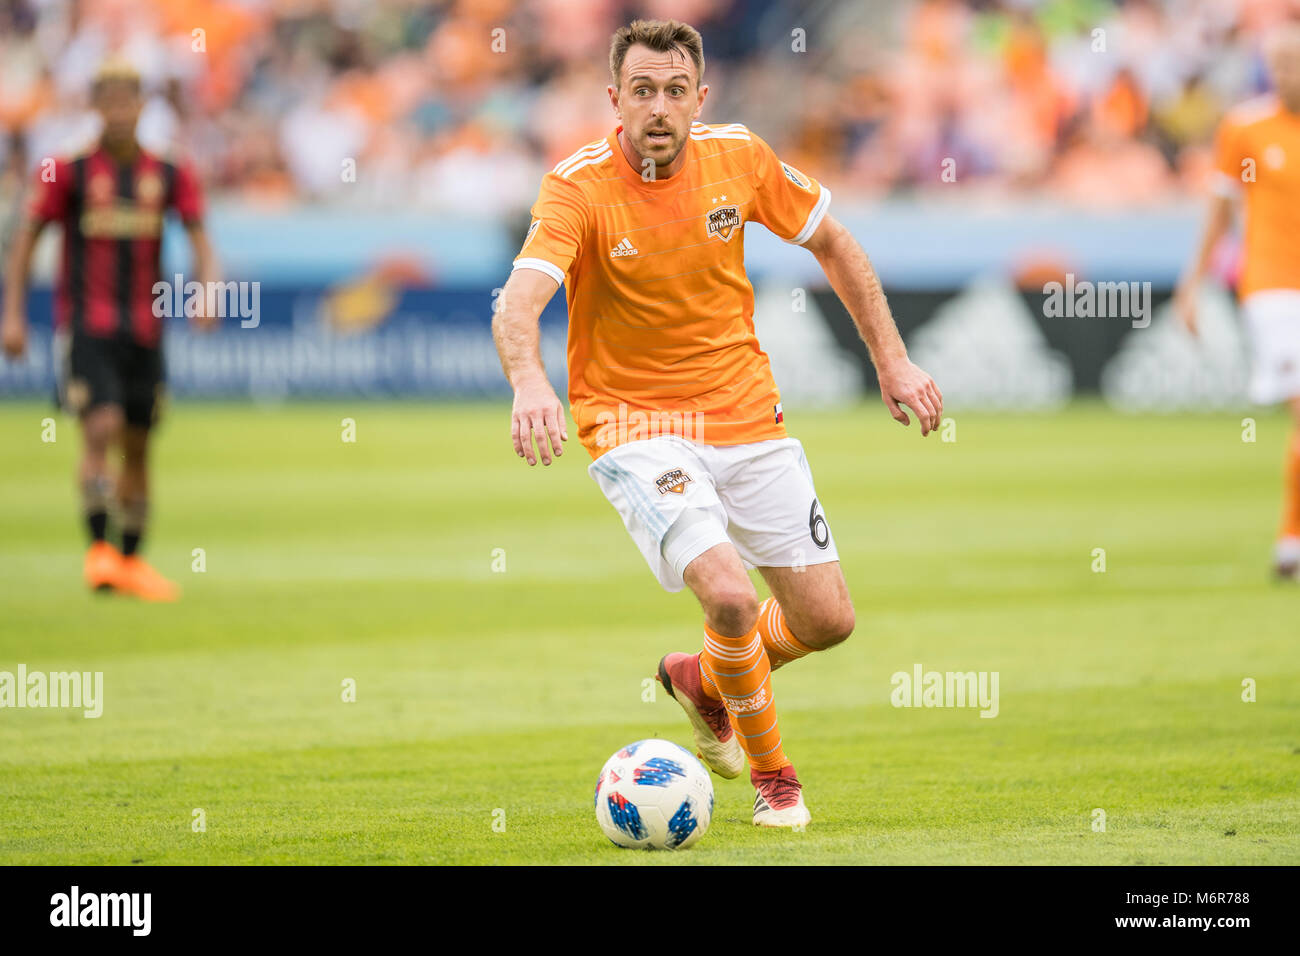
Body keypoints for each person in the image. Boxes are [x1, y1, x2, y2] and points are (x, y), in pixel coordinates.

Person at [492, 19, 942, 828]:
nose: (658, 107)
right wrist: (529, 381)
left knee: (827, 620)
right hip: (634, 426)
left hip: (745, 412)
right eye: (642, 91)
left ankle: (706, 677)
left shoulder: (740, 157)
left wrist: (893, 359)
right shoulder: (577, 186)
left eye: (674, 91)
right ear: (614, 99)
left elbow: (834, 241)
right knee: (731, 598)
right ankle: (777, 781)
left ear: (700, 97)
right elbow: (520, 300)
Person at [1, 60, 218, 601]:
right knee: (101, 426)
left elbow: (201, 239)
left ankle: (130, 560)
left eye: (128, 102)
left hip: (145, 329)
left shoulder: (169, 169)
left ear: (142, 107)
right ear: (95, 108)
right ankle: (98, 550)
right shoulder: (67, 168)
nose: (120, 113)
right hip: (88, 326)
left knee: (139, 445)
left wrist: (208, 289)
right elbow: (27, 238)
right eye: (110, 103)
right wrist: (13, 313)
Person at [1177, 23, 1300, 580]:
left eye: (1292, 63)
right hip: (1275, 289)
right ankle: (1291, 539)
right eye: (1277, 64)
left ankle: (1291, 540)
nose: (1285, 75)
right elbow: (1219, 213)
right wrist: (1193, 282)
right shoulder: (1246, 128)